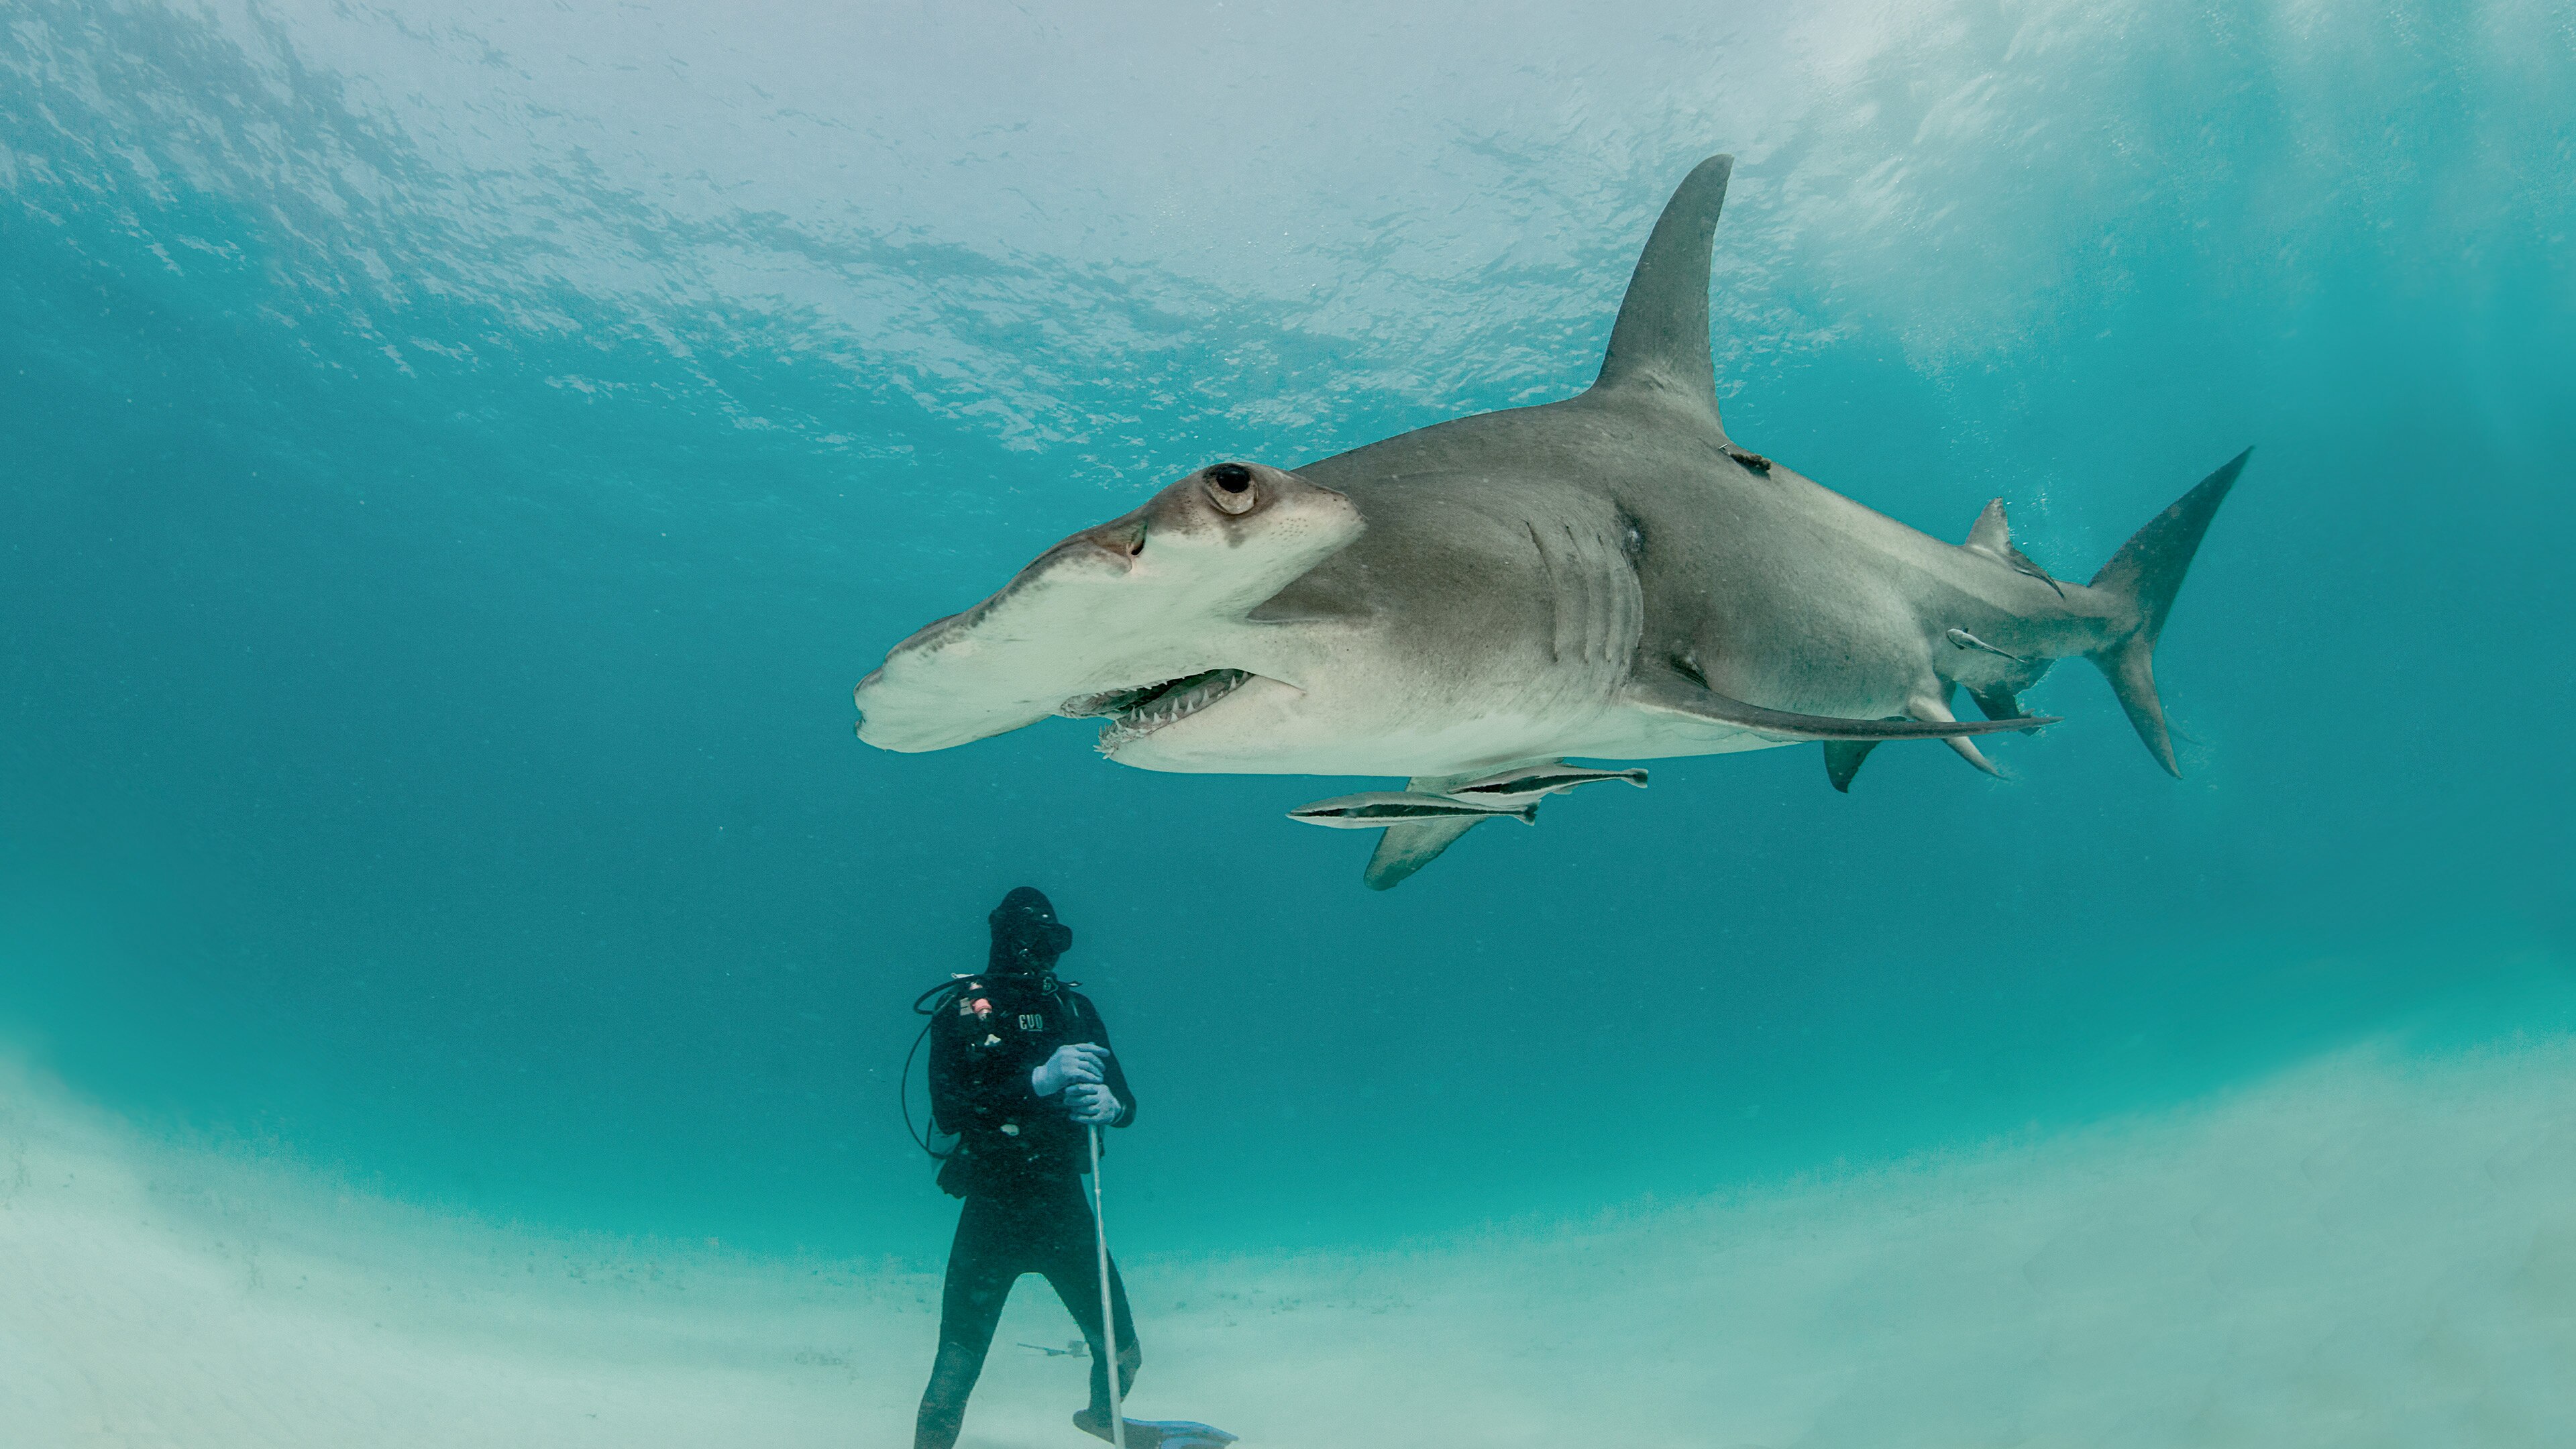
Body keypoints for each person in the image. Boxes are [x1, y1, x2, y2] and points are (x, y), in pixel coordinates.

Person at [913, 886, 1147, 1449]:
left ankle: (1102, 1417)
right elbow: (948, 1111)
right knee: (955, 1366)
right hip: (992, 1211)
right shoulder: (961, 1011)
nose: (1045, 954)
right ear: (1004, 939)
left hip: (1062, 1207)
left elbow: (1127, 1104)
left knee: (1124, 1353)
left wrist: (1111, 1108)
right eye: (1033, 941)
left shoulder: (1075, 1011)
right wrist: (1038, 1081)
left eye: (1054, 942)